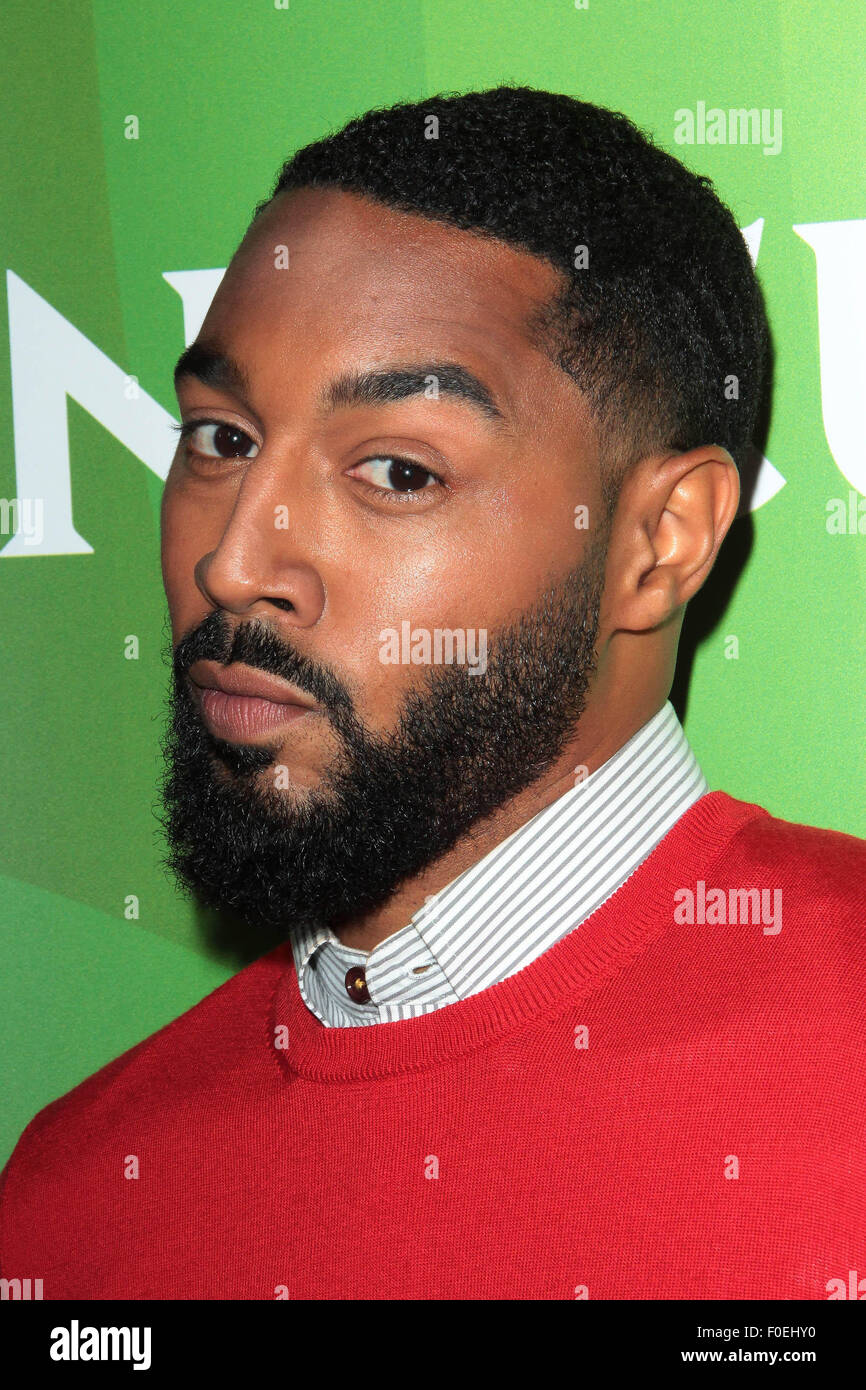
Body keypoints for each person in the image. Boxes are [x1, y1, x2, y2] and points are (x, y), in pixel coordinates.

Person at [1, 86, 863, 1300]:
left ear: (657, 541)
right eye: (221, 439)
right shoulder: (73, 1201)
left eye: (396, 469)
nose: (233, 561)